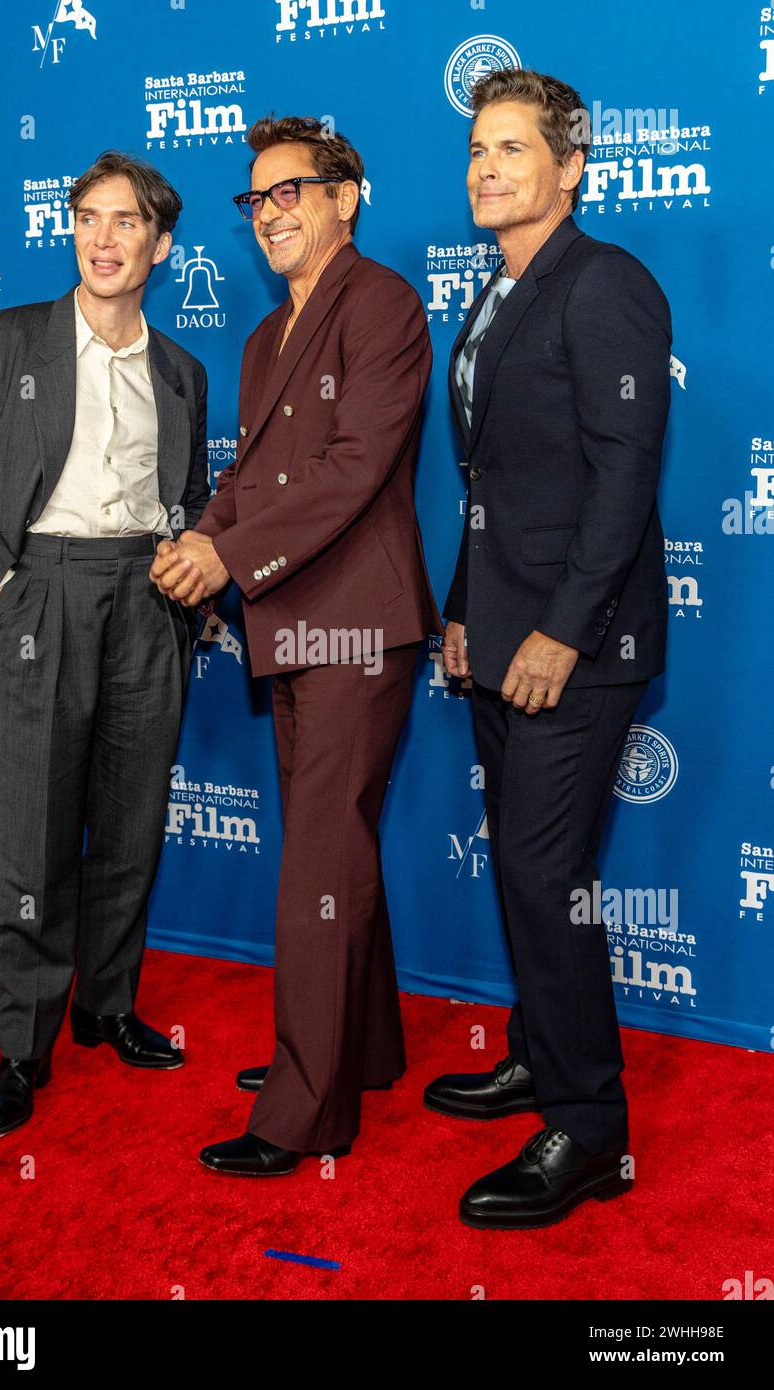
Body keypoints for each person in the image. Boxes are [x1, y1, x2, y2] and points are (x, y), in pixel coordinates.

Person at [151, 116, 442, 1176]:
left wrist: (227, 559)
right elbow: (250, 475)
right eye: (256, 198)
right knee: (335, 852)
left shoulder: (385, 304)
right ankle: (355, 1048)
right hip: (289, 627)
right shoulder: (265, 337)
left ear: (345, 196)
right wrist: (201, 538)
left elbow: (353, 468)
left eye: (292, 191)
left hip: (358, 626)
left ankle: (305, 1109)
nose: (270, 211)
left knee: (319, 857)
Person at [425, 70, 672, 1228]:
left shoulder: (603, 282)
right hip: (503, 629)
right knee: (531, 868)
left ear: (569, 167)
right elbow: (489, 485)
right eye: (477, 148)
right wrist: (467, 607)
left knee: (540, 871)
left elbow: (623, 477)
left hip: (576, 644)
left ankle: (587, 1126)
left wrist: (558, 634)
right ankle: (537, 1051)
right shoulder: (496, 292)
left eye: (511, 149)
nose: (484, 167)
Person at [0, 150, 209, 1138]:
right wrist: (6, 588)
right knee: (37, 832)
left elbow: (191, 500)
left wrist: (194, 565)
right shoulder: (8, 340)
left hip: (145, 599)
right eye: (87, 218)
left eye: (125, 221)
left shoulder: (182, 373)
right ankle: (22, 1045)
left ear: (159, 243)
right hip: (41, 592)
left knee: (131, 821)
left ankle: (108, 1004)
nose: (102, 237)